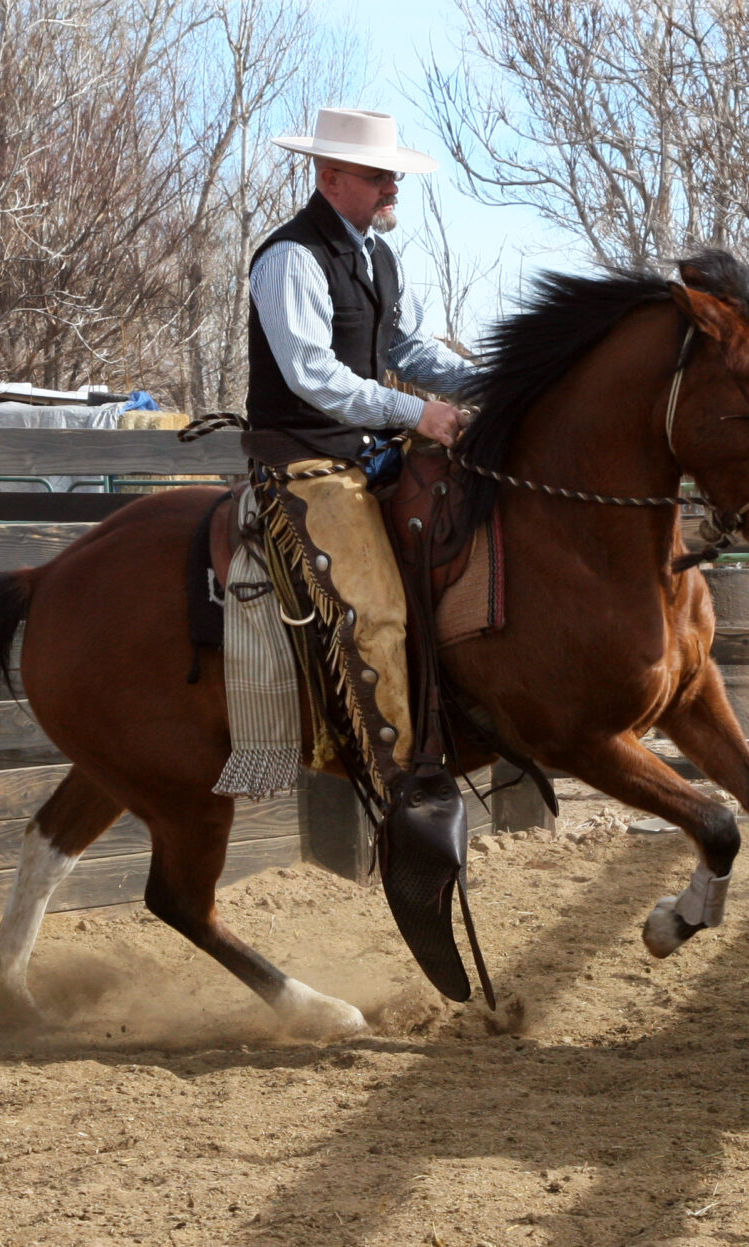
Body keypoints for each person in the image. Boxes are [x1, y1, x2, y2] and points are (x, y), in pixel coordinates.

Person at [242, 107, 483, 995]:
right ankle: (401, 787)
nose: (394, 187)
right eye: (379, 176)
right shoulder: (289, 258)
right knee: (375, 607)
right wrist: (416, 411)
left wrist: (486, 380)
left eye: (393, 176)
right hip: (303, 461)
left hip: (367, 452)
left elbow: (409, 347)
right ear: (330, 177)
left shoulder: (379, 255)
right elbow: (314, 378)